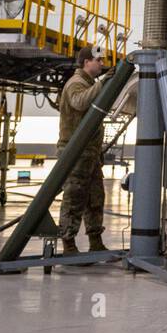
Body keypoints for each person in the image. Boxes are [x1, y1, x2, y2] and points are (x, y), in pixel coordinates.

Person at [57, 44, 109, 254]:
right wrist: (103, 83)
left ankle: (95, 241)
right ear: (87, 62)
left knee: (95, 197)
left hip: (90, 153)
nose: (102, 63)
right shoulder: (76, 83)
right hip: (75, 152)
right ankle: (68, 244)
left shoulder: (88, 83)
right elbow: (79, 102)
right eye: (99, 60)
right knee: (74, 197)